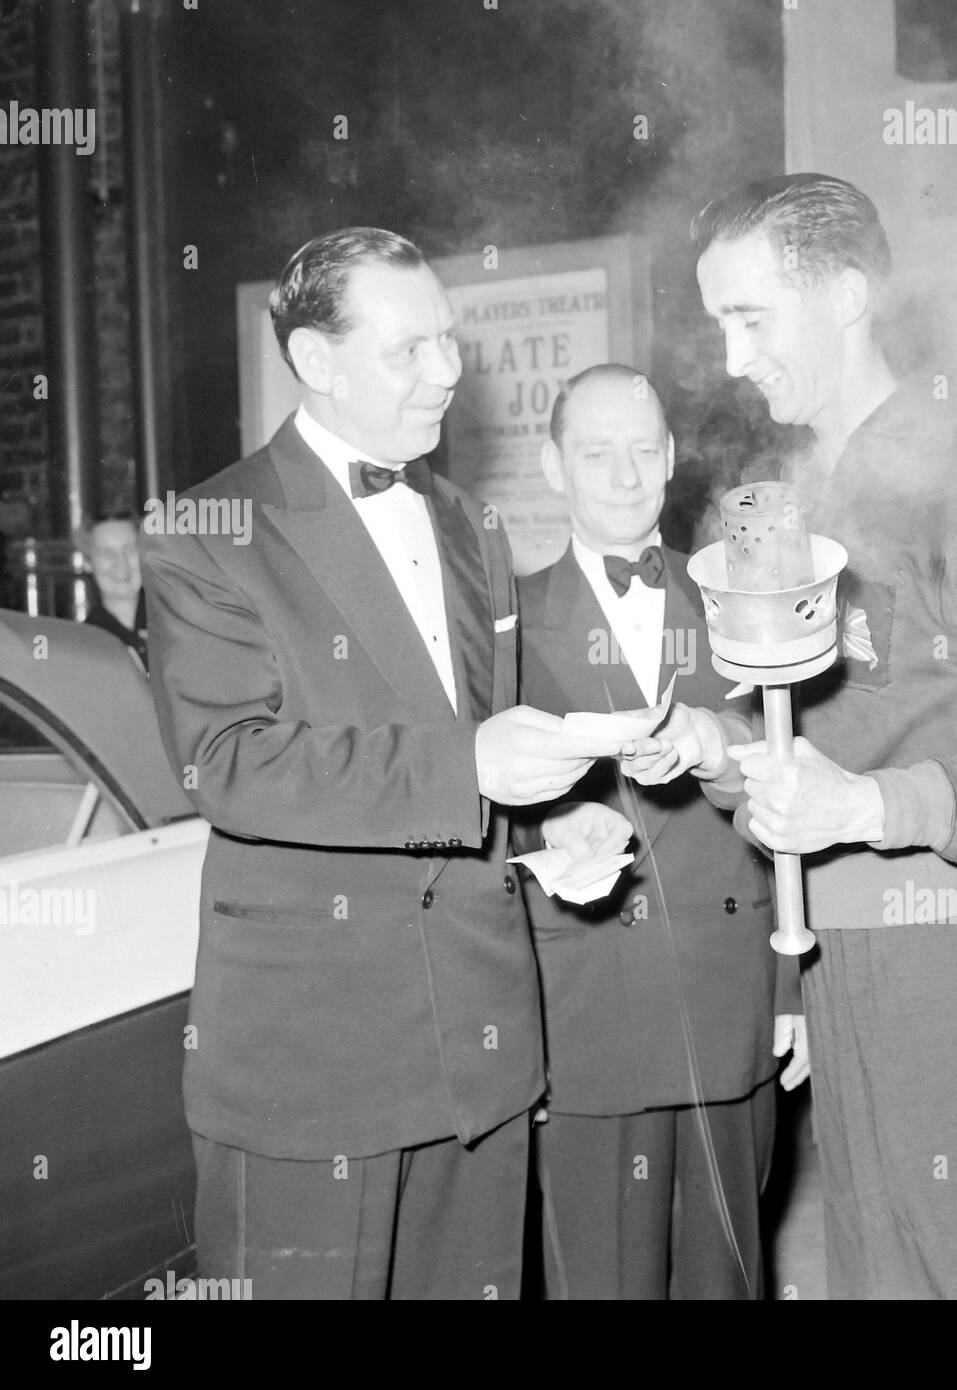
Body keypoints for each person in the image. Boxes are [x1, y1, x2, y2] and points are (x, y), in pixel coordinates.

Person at [141, 227, 636, 1300]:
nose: (450, 373)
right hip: (316, 1059)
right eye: (409, 350)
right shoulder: (207, 533)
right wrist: (472, 767)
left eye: (449, 341)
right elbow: (229, 762)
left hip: (481, 1044)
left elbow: (472, 724)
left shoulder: (465, 520)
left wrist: (548, 824)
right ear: (318, 362)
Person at [683, 174, 957, 1299]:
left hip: (950, 956)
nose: (731, 359)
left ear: (841, 295)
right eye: (716, 326)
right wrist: (718, 754)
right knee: (882, 1277)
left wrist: (872, 808)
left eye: (750, 318)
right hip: (846, 954)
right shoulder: (805, 497)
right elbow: (820, 748)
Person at [517, 363, 805, 1299]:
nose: (626, 474)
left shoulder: (745, 604)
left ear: (673, 458)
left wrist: (793, 985)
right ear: (553, 464)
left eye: (645, 450)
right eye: (597, 453)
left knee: (728, 1280)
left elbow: (799, 803)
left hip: (728, 1006)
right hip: (581, 1020)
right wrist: (551, 817)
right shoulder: (499, 626)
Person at [80, 513, 147, 669]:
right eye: (107, 553)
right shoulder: (82, 642)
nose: (121, 563)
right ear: (87, 562)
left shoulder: (177, 623)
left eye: (130, 549)